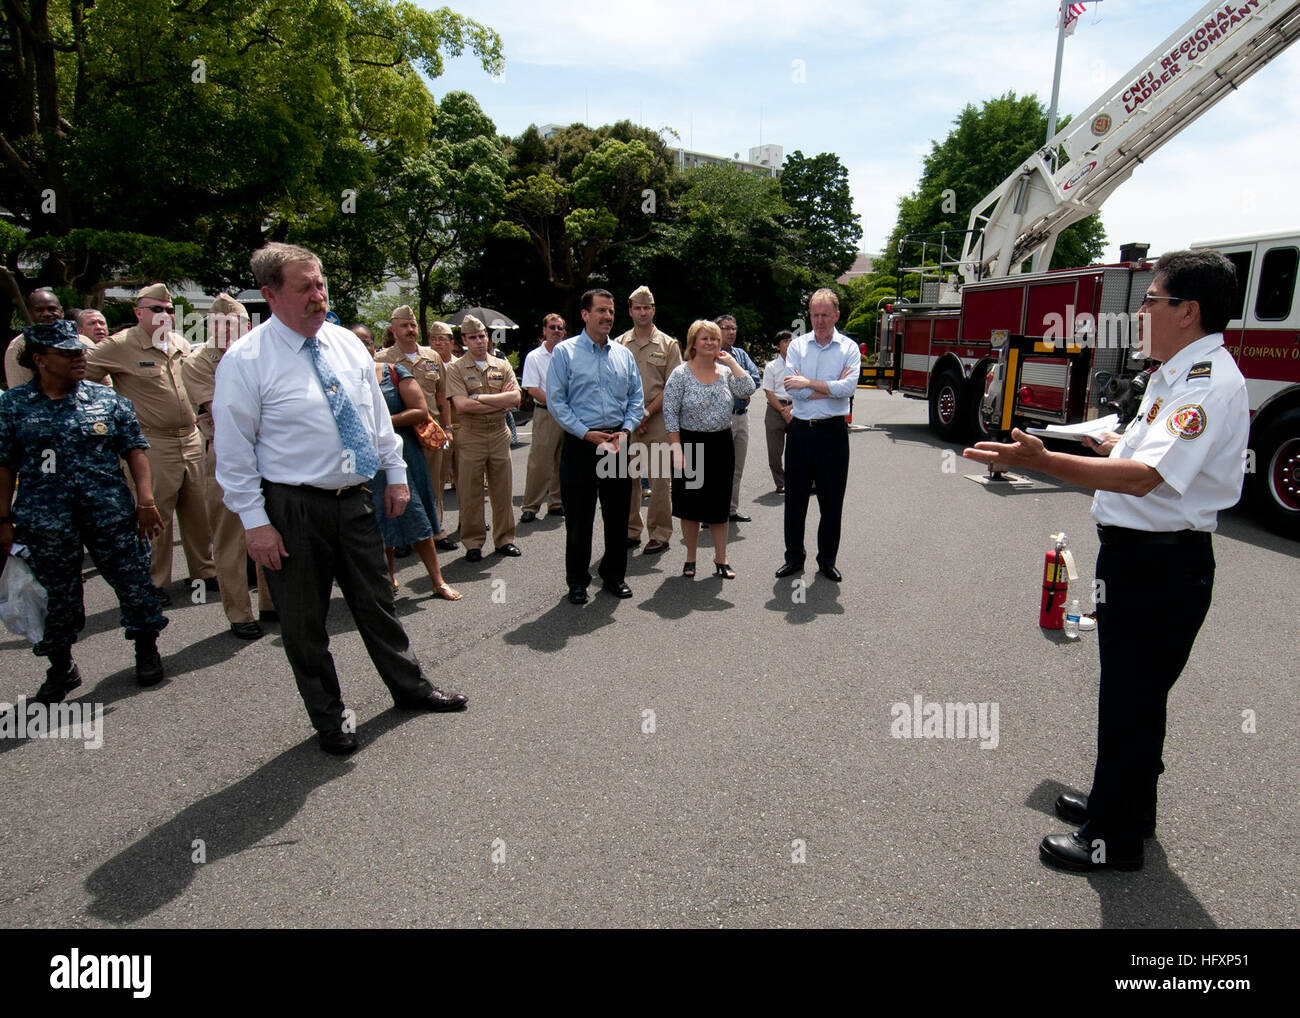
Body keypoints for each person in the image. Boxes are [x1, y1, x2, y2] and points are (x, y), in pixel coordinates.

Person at [964, 249, 1249, 873]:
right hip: (1143, 561)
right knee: (1134, 699)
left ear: (1189, 311)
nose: (1141, 309)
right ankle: (1124, 808)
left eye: (1152, 298)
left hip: (1159, 567)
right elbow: (1141, 448)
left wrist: (1040, 462)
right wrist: (1106, 440)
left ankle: (1111, 840)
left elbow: (1146, 477)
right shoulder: (1175, 374)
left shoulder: (1207, 381)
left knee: (1130, 701)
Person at [212, 242, 466, 756]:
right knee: (305, 623)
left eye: (321, 282)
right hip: (291, 509)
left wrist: (395, 474)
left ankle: (410, 689)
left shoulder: (347, 346)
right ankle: (330, 718)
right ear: (270, 294)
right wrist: (256, 524)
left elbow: (375, 419)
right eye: (304, 286)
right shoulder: (246, 361)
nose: (318, 294)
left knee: (378, 603)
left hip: (356, 499)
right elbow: (234, 455)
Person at [0, 320, 167, 701]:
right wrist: (3, 520)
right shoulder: (13, 407)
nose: (79, 358)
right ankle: (61, 668)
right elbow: (5, 465)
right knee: (57, 596)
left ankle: (146, 649)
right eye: (68, 353)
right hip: (45, 520)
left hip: (109, 513)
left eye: (81, 351)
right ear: (41, 360)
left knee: (134, 584)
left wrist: (146, 500)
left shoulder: (107, 400)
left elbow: (135, 450)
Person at [85, 283, 215, 601]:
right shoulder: (120, 345)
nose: (165, 315)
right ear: (138, 312)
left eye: (169, 310)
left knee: (199, 511)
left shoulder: (179, 342)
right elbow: (83, 371)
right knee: (156, 515)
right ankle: (155, 580)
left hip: (190, 438)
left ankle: (204, 572)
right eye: (156, 309)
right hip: (152, 442)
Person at [181, 293, 275, 639]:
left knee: (270, 525)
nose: (230, 333)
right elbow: (224, 413)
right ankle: (239, 612)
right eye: (221, 326)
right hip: (224, 453)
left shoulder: (263, 354)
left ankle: (270, 602)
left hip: (267, 450)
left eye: (236, 326)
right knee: (230, 535)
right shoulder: (198, 363)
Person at [547, 288, 644, 604]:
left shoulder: (623, 354)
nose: (608, 317)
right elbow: (557, 402)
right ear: (585, 314)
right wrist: (584, 433)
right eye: (601, 310)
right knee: (579, 518)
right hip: (581, 445)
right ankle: (577, 581)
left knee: (617, 516)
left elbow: (635, 398)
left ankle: (614, 576)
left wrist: (627, 430)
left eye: (611, 311)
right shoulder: (565, 353)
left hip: (616, 444)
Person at [777, 289, 861, 582]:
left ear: (837, 315)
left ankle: (826, 560)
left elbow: (847, 388)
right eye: (815, 314)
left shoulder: (848, 348)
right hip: (800, 432)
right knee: (795, 501)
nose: (820, 320)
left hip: (833, 434)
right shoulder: (798, 346)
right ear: (809, 315)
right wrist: (827, 387)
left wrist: (809, 385)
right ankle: (793, 559)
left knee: (831, 502)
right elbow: (791, 387)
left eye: (826, 315)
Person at [662, 320, 755, 578]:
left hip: (720, 445)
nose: (711, 343)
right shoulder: (680, 374)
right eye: (705, 338)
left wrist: (732, 363)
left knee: (719, 505)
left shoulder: (725, 373)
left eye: (714, 339)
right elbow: (669, 413)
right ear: (693, 342)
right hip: (690, 445)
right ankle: (690, 558)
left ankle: (721, 558)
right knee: (690, 505)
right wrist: (676, 449)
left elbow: (748, 388)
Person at [369, 358, 462, 602]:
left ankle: (437, 581)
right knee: (380, 518)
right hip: (369, 458)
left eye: (368, 342)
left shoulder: (392, 371)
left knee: (417, 513)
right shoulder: (343, 376)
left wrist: (382, 423)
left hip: (405, 453)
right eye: (357, 342)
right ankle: (388, 580)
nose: (363, 347)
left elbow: (420, 410)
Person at [374, 306, 455, 553]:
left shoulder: (432, 357)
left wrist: (448, 428)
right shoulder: (382, 360)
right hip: (399, 432)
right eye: (404, 326)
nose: (410, 330)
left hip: (429, 430)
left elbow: (443, 397)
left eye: (413, 325)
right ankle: (404, 537)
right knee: (400, 484)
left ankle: (436, 531)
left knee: (433, 483)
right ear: (393, 330)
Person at [444, 315, 521, 562]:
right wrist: (499, 402)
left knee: (502, 489)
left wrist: (479, 399)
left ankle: (505, 540)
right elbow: (461, 406)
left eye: (482, 336)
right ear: (464, 340)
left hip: (499, 432)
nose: (479, 341)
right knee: (470, 491)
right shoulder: (456, 369)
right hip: (470, 434)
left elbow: (516, 399)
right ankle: (473, 542)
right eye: (473, 337)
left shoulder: (501, 365)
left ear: (487, 337)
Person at [618, 286, 682, 554]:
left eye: (647, 307)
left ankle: (659, 533)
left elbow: (672, 386)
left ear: (653, 310)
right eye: (637, 308)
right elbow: (613, 383)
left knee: (658, 481)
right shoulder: (618, 344)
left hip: (656, 421)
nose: (642, 312)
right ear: (630, 310)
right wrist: (632, 416)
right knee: (628, 479)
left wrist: (644, 414)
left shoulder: (668, 345)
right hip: (626, 421)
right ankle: (631, 530)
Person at [519, 313, 568, 523]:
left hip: (568, 415)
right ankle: (531, 506)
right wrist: (558, 405)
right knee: (540, 462)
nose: (556, 331)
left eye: (560, 328)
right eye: (552, 327)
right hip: (546, 414)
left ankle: (556, 503)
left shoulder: (570, 355)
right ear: (544, 331)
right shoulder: (534, 357)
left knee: (562, 461)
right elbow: (532, 389)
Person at [715, 314, 762, 522]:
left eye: (733, 328)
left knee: (737, 466)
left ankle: (731, 509)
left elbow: (755, 379)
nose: (731, 332)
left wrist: (745, 389)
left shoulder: (741, 355)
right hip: (719, 418)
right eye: (726, 328)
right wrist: (740, 388)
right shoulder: (711, 354)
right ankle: (712, 511)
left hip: (741, 416)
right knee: (716, 468)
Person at [5, 289, 95, 388]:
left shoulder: (84, 342)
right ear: (30, 314)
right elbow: (18, 389)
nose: (46, 314)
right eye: (39, 310)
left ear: (61, 311)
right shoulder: (19, 346)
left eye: (51, 309)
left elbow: (105, 382)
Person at [762, 331, 795, 493]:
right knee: (774, 453)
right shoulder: (771, 367)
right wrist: (783, 410)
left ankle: (798, 481)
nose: (789, 343)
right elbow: (768, 391)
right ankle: (780, 482)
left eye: (791, 340)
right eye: (785, 341)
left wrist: (792, 407)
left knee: (798, 451)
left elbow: (805, 387)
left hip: (796, 407)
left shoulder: (799, 364)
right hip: (776, 410)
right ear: (777, 346)